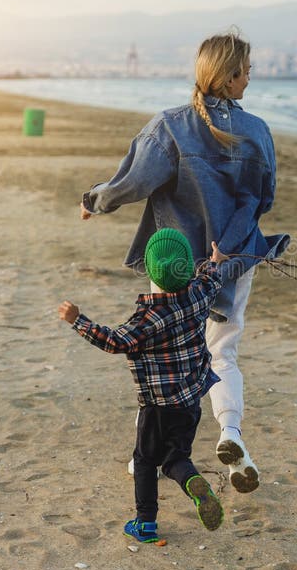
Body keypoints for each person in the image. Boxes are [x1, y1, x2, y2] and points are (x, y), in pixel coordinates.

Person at [79, 32, 289, 493]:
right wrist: (227, 245)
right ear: (231, 78)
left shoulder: (170, 126)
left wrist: (95, 201)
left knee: (163, 356)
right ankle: (230, 435)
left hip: (173, 260)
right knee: (222, 353)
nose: (250, 78)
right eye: (247, 71)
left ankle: (144, 461)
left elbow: (133, 182)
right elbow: (262, 198)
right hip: (233, 261)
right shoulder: (256, 132)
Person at [58, 229, 226, 544]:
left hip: (157, 406)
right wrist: (214, 262)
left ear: (149, 272)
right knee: (175, 457)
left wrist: (77, 320)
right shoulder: (197, 296)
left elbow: (112, 341)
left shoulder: (148, 319)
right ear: (188, 267)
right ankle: (191, 482)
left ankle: (145, 524)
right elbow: (211, 281)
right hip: (190, 400)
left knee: (146, 459)